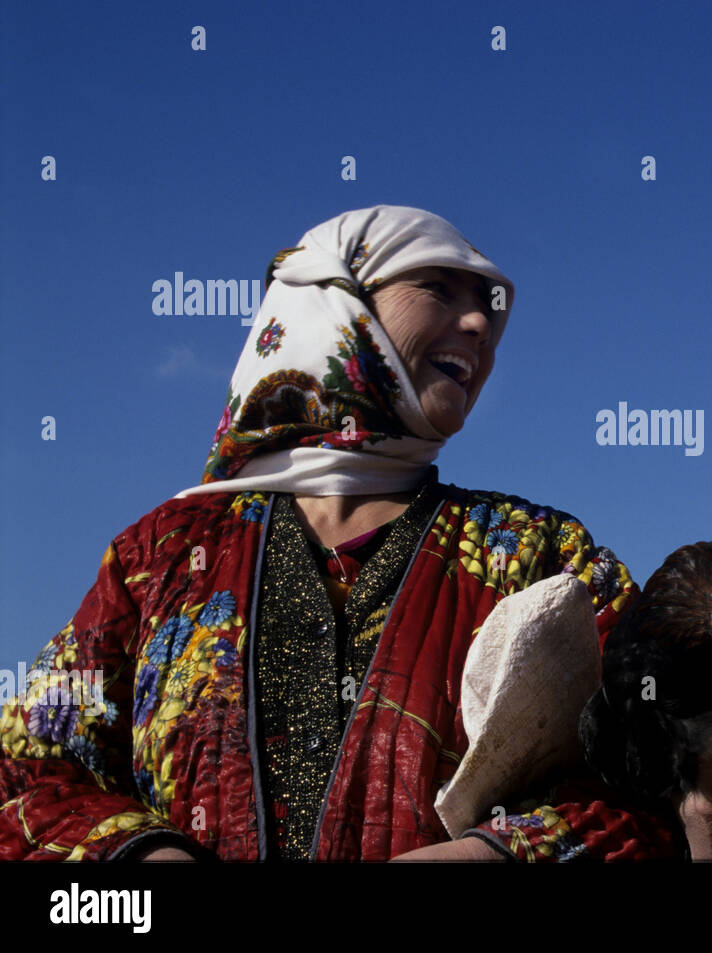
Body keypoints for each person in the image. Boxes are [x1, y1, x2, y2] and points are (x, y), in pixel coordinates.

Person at [0, 205, 676, 861]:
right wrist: (144, 857)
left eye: (490, 309)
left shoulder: (540, 554)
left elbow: (658, 777)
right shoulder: (158, 557)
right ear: (336, 304)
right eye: (438, 287)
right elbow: (30, 777)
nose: (479, 324)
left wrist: (492, 854)